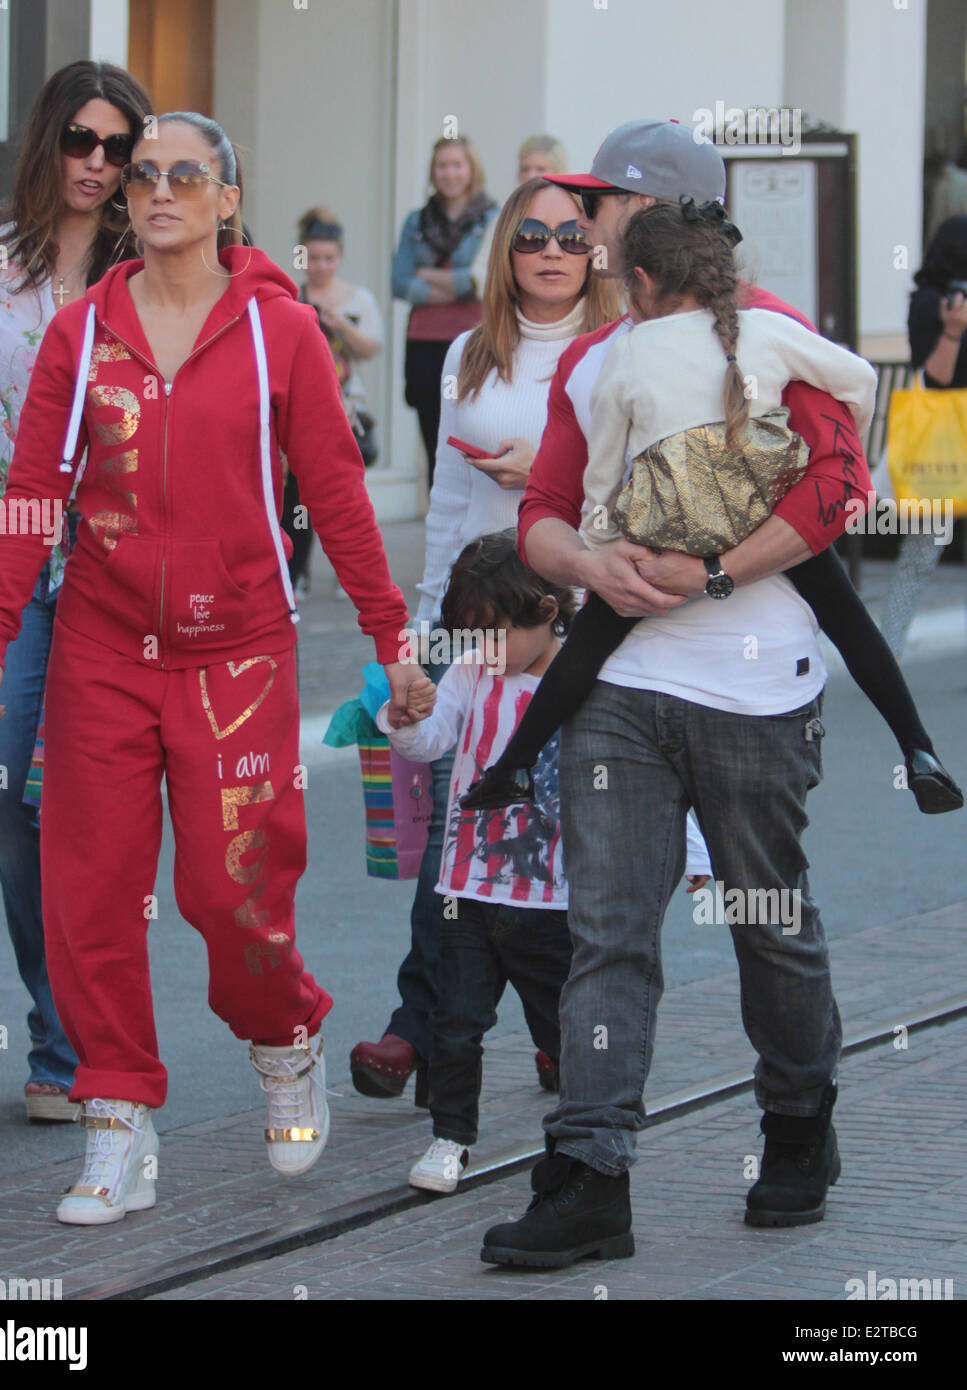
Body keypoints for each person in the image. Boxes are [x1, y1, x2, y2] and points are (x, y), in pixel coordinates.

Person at [0, 111, 426, 1226]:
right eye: (142, 173)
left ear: (226, 197)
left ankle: (284, 1030)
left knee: (230, 895)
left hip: (239, 658)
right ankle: (115, 1121)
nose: (157, 187)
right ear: (124, 202)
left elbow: (340, 496)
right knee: (90, 895)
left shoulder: (279, 332)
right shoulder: (85, 332)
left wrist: (390, 635)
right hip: (102, 652)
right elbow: (30, 493)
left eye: (185, 173)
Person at [477, 118, 885, 1269]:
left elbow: (836, 490)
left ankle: (798, 1122)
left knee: (767, 924)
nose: (579, 226)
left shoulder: (772, 335)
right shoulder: (589, 361)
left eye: (593, 207)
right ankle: (591, 1171)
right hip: (621, 687)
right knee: (607, 932)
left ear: (643, 223)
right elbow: (542, 514)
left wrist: (709, 571)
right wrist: (586, 564)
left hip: (755, 692)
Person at [464, 200, 961, 817]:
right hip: (763, 506)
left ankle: (514, 767)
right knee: (848, 619)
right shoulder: (769, 329)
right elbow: (858, 379)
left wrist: (603, 533)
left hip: (668, 525)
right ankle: (918, 750)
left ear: (640, 282)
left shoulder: (628, 352)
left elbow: (605, 458)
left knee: (591, 642)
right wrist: (843, 429)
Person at [349, 177, 633, 1102]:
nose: (550, 249)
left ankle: (558, 1025)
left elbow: (645, 491)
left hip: (580, 624)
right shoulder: (472, 349)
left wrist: (550, 474)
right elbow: (446, 499)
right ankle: (417, 1025)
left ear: (593, 249)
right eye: (531, 235)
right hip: (475, 626)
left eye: (568, 234)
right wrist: (422, 627)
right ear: (506, 250)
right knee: (458, 835)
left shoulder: (619, 351)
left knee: (570, 832)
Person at [0, 60, 152, 1122]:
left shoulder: (153, 277)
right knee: (3, 796)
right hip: (3, 554)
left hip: (120, 561)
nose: (99, 165)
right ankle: (58, 1020)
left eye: (119, 147)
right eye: (82, 141)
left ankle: (80, 1050)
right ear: (47, 142)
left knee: (96, 801)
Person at [376, 532, 575, 1193]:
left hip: (549, 896)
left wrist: (686, 850)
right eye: (472, 637)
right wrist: (404, 718)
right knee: (455, 1022)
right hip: (466, 888)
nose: (484, 652)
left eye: (494, 635)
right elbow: (427, 746)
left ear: (546, 611)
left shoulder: (584, 678)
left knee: (562, 1025)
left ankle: (580, 1133)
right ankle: (449, 1137)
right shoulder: (467, 675)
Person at [283, 206, 383, 596]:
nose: (321, 266)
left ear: (339, 257)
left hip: (347, 411)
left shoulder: (359, 299)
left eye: (328, 258)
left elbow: (371, 348)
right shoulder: (291, 297)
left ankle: (353, 577)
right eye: (312, 258)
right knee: (297, 499)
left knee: (346, 498)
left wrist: (338, 323)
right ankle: (296, 573)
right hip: (302, 413)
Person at [879, 215, 967, 658]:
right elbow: (935, 379)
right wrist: (953, 330)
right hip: (943, 438)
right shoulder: (929, 303)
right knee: (921, 552)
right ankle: (889, 648)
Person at [392, 136, 497, 487]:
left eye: (457, 164)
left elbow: (482, 283)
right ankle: (439, 533)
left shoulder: (490, 218)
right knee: (433, 438)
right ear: (432, 172)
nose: (449, 173)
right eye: (442, 165)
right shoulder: (416, 222)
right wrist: (459, 284)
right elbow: (400, 282)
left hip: (473, 339)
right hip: (424, 341)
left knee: (473, 435)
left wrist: (430, 277)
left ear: (471, 170)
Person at [469, 135, 570, 317]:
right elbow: (481, 272)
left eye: (540, 168)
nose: (531, 175)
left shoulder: (576, 215)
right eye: (525, 169)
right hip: (516, 315)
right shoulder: (505, 218)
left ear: (559, 172)